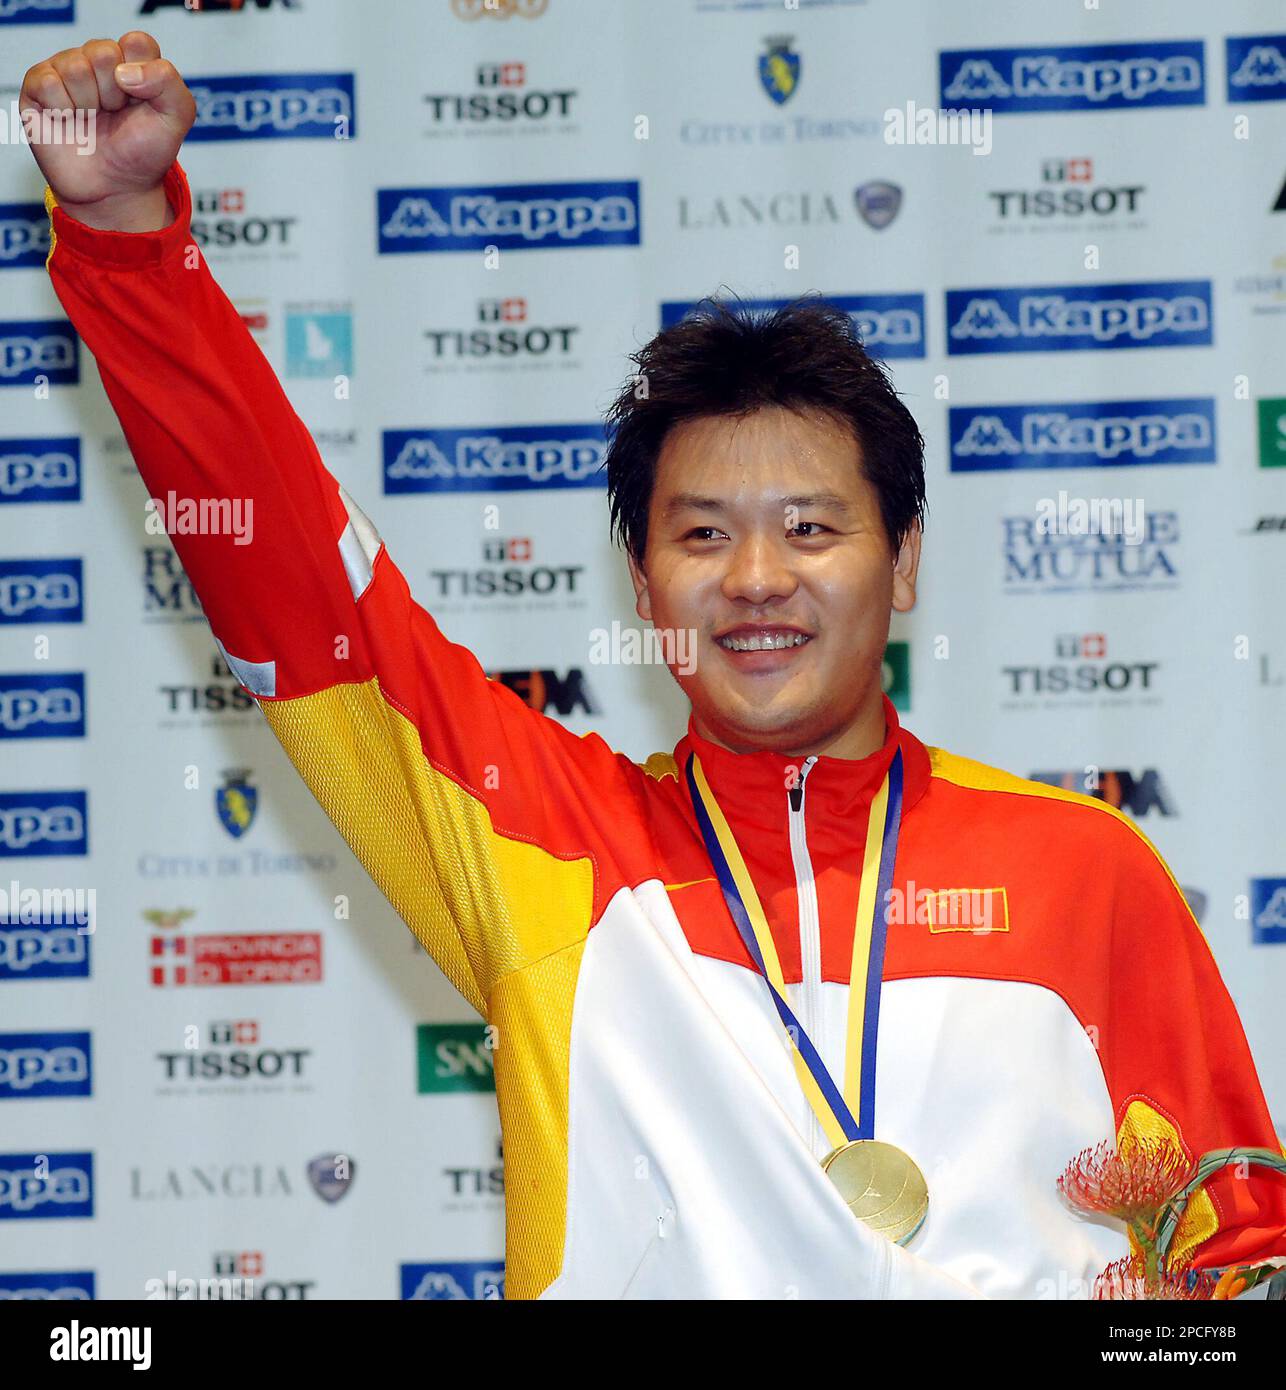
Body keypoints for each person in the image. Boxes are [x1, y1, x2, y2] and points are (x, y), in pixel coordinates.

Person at [22, 32, 1286, 1300]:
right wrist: (134, 244)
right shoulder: (547, 851)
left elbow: (1237, 1259)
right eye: (699, 534)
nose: (752, 578)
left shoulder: (1085, 872)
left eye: (809, 527)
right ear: (643, 589)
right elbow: (299, 593)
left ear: (902, 563)